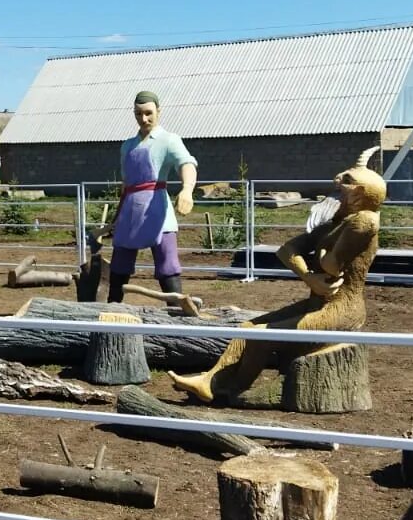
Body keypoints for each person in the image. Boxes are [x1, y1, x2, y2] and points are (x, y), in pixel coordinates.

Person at [168, 147, 384, 404]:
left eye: (347, 181)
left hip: (342, 309)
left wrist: (323, 252)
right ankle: (210, 380)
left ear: (359, 194)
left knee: (264, 337)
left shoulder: (364, 221)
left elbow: (331, 267)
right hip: (319, 301)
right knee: (249, 327)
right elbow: (287, 250)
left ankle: (229, 390)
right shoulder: (336, 224)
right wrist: (308, 276)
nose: (339, 181)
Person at [107, 90, 197, 304]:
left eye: (148, 113)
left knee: (168, 266)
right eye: (138, 114)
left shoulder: (168, 140)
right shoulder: (127, 146)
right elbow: (126, 184)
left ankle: (178, 314)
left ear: (159, 111)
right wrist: (114, 219)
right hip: (129, 210)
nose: (144, 119)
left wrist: (187, 189)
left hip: (158, 209)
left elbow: (186, 163)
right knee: (119, 265)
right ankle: (112, 312)